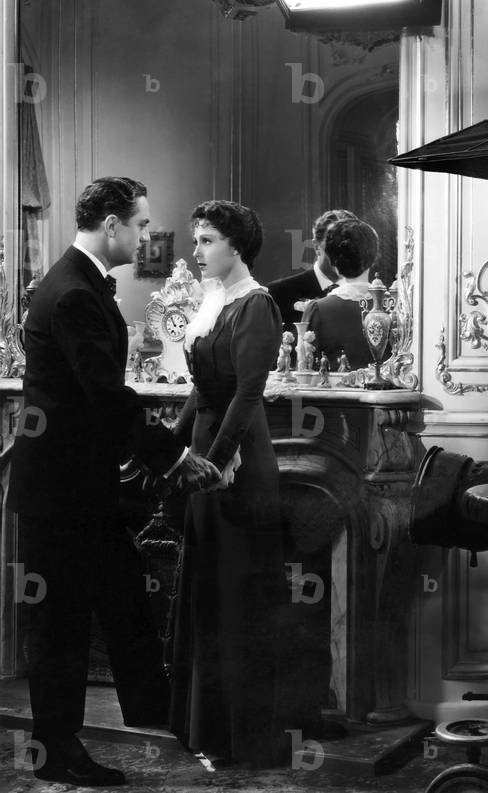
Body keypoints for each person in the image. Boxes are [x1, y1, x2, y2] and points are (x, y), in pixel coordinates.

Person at [9, 176, 220, 786]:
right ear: (110, 223)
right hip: (63, 492)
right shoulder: (73, 292)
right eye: (141, 224)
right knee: (63, 626)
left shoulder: (74, 283)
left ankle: (157, 716)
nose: (147, 234)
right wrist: (174, 459)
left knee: (124, 607)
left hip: (79, 488)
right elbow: (104, 396)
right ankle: (55, 753)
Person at [168, 200, 289, 767]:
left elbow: (246, 393)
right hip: (207, 447)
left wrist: (214, 464)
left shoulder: (256, 305)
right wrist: (173, 444)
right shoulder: (214, 300)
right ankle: (204, 729)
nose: (197, 251)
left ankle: (243, 738)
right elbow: (203, 389)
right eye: (197, 240)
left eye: (207, 240)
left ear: (236, 247)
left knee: (238, 597)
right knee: (206, 591)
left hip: (241, 459)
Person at [300, 216, 380, 371]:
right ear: (373, 257)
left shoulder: (318, 309)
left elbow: (305, 370)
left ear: (334, 263)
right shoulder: (394, 305)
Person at [267, 208, 356, 332]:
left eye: (348, 244)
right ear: (316, 246)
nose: (342, 251)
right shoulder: (279, 293)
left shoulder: (366, 295)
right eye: (334, 243)